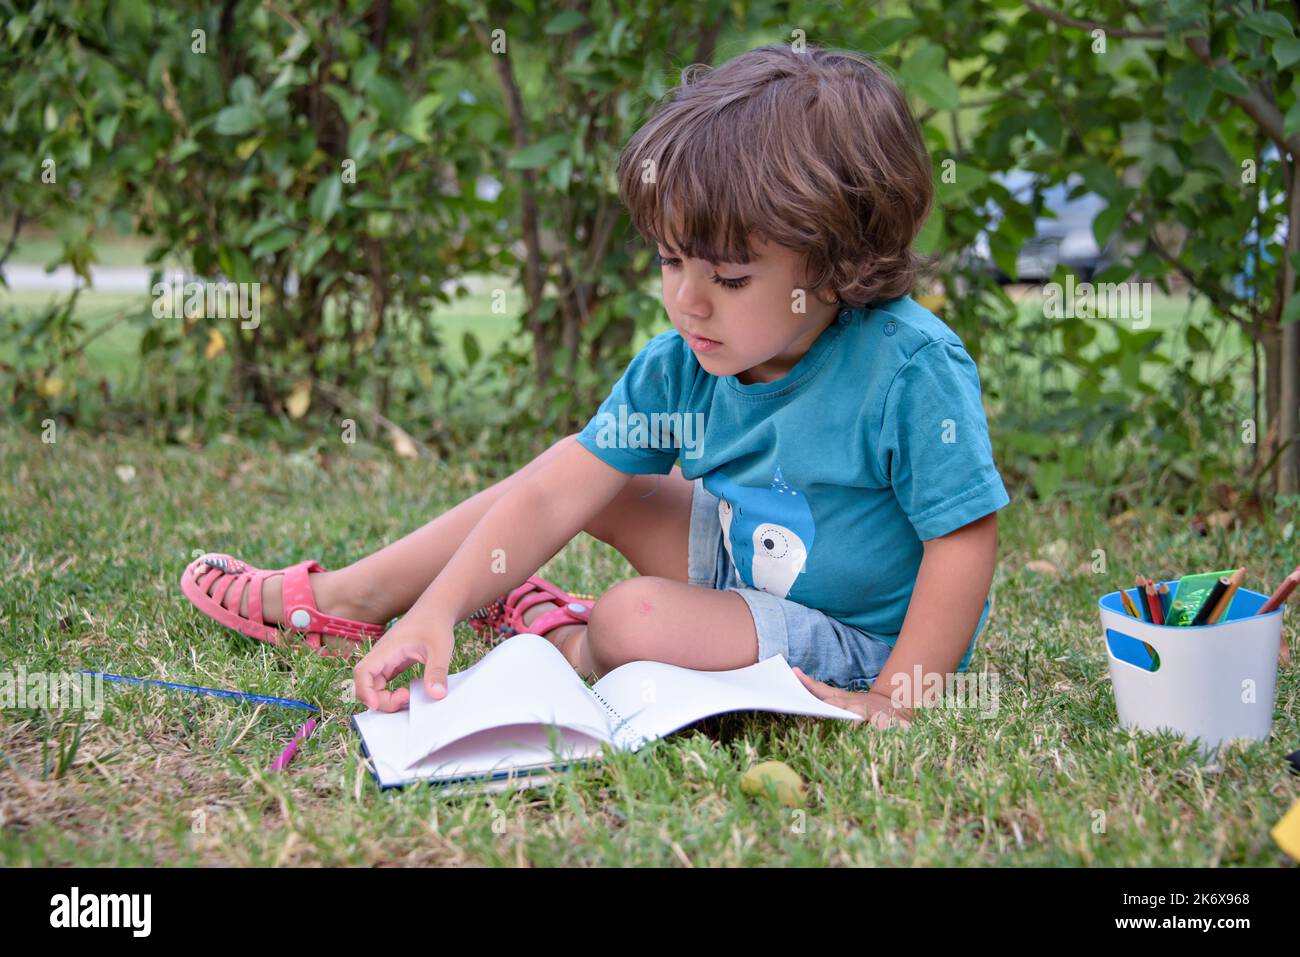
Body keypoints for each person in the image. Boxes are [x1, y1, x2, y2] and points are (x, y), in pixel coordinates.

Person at [180, 44, 1009, 731]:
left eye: (726, 274)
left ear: (838, 263)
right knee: (581, 478)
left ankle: (565, 638)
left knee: (630, 618)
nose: (687, 298)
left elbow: (963, 539)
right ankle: (360, 599)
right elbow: (552, 495)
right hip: (735, 565)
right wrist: (438, 609)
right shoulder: (686, 358)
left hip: (853, 633)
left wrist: (894, 697)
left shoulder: (908, 367)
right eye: (669, 260)